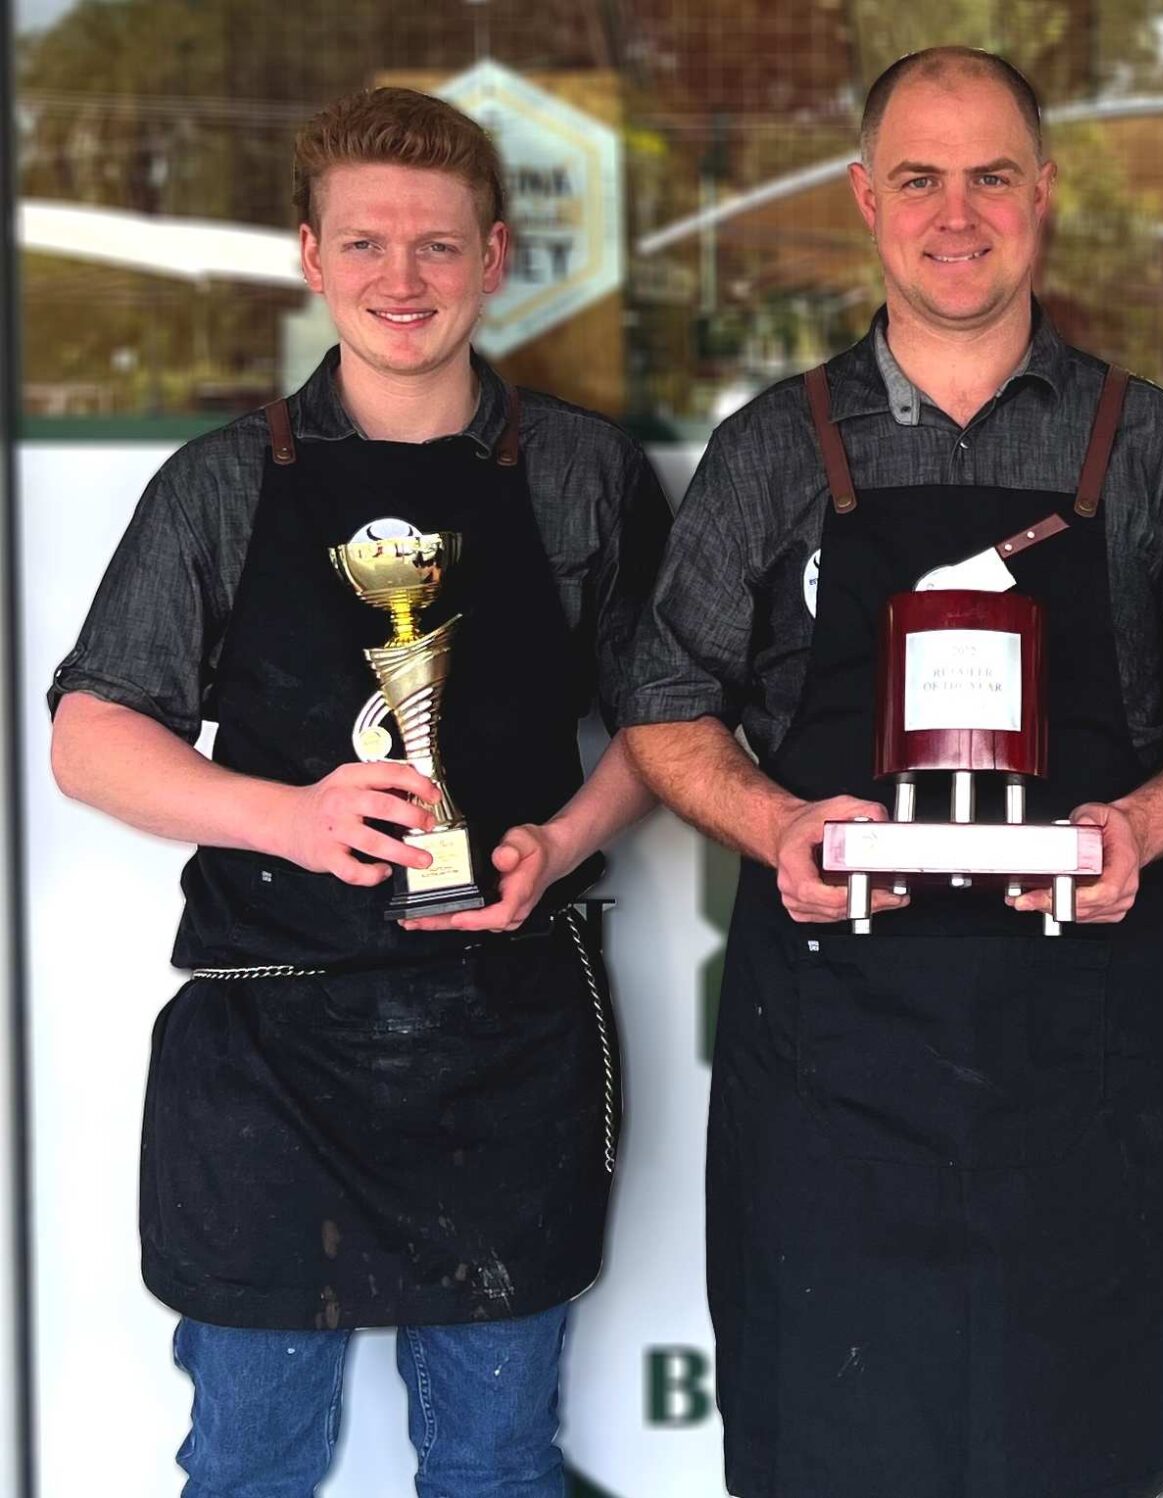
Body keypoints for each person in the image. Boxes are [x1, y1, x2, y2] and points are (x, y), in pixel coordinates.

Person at [621, 47, 1163, 1498]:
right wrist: (776, 818)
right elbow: (663, 707)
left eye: (992, 174)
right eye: (918, 177)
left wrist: (1145, 818)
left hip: (1079, 1070)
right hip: (831, 1075)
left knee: (1078, 1442)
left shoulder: (1149, 444)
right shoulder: (771, 452)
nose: (957, 211)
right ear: (866, 200)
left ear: (1043, 196)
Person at [48, 87, 668, 1496]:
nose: (404, 279)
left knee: (498, 1465)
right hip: (268, 1048)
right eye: (368, 244)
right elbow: (89, 736)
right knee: (251, 1464)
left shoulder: (578, 476)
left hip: (507, 1040)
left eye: (439, 247)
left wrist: (559, 840)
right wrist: (293, 814)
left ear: (496, 258)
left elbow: (671, 726)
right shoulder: (221, 483)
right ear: (309, 256)